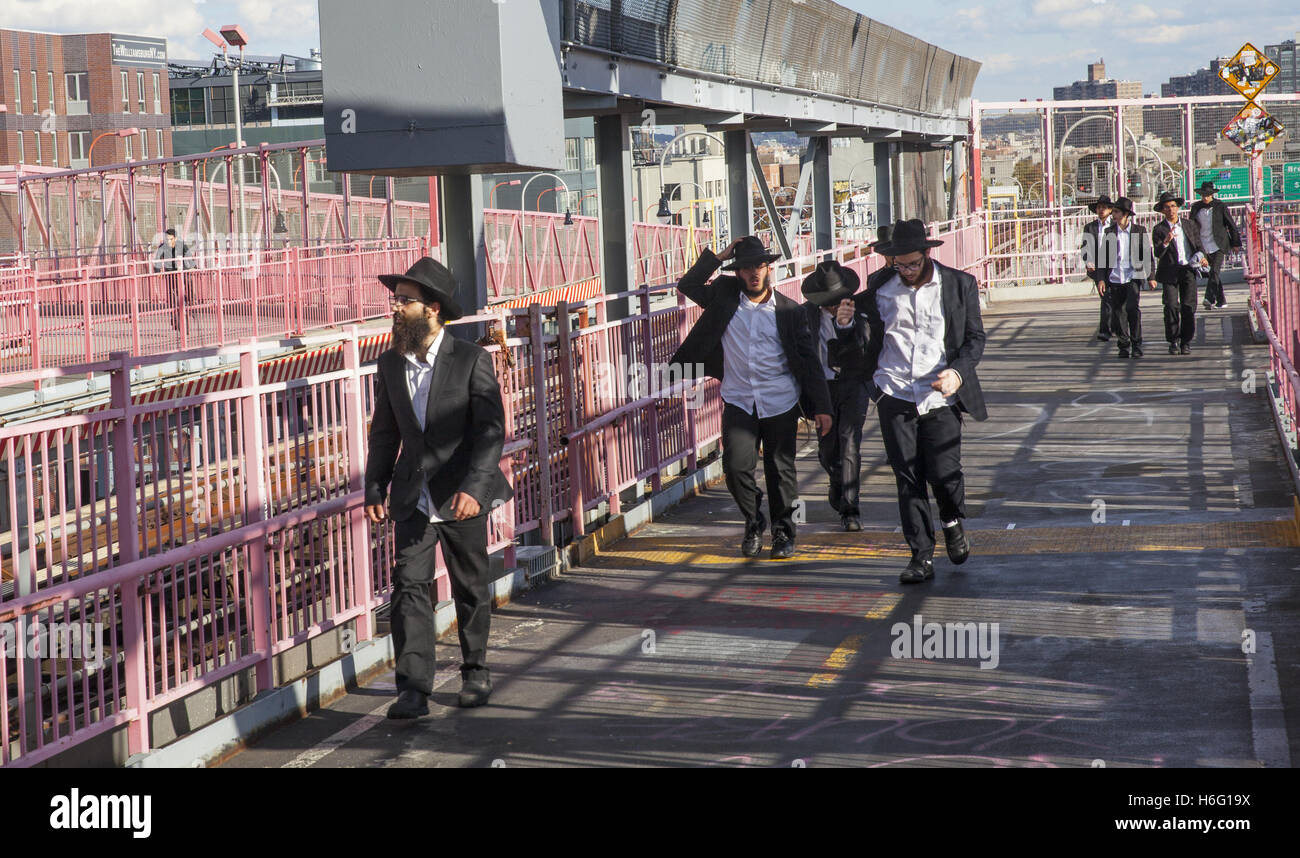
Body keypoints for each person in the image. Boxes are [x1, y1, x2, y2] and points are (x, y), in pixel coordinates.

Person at [365, 257, 513, 719]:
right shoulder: (389, 363)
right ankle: (413, 688)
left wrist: (476, 487)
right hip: (412, 494)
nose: (394, 308)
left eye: (404, 301)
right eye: (394, 300)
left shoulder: (472, 360)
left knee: (469, 585)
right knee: (409, 587)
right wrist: (375, 487)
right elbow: (385, 432)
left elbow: (491, 431)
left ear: (431, 309)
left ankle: (475, 670)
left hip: (462, 494)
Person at [670, 235, 832, 560]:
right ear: (738, 273)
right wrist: (720, 255)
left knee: (780, 468)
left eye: (759, 265)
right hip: (739, 398)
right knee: (735, 468)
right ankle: (754, 519)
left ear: (768, 268)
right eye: (745, 268)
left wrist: (821, 408)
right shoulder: (723, 298)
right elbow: (688, 284)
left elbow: (810, 363)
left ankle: (784, 533)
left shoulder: (790, 311)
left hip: (780, 400)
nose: (754, 273)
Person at [858, 219, 987, 584]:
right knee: (907, 476)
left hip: (939, 394)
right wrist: (845, 322)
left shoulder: (959, 284)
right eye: (900, 265)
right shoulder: (880, 289)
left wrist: (957, 373)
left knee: (944, 475)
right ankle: (920, 555)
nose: (907, 271)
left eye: (913, 263)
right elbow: (864, 337)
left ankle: (950, 521)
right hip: (895, 392)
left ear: (927, 254)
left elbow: (975, 339)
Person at [800, 261, 870, 532]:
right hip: (822, 390)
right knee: (828, 449)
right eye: (827, 302)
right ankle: (836, 480)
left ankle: (851, 510)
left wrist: (847, 324)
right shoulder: (805, 315)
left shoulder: (859, 312)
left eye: (837, 300)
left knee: (850, 443)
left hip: (854, 384)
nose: (833, 306)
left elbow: (864, 347)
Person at [1100, 196, 1154, 360]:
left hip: (1133, 276)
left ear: (1125, 214)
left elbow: (1147, 254)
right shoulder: (1109, 232)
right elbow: (1103, 258)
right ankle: (1123, 346)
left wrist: (1151, 275)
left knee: (1132, 310)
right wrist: (1101, 279)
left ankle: (1137, 345)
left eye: (1116, 211)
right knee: (1118, 314)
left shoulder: (1139, 230)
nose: (1113, 215)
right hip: (1115, 278)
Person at [1151, 191, 1205, 355]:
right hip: (1169, 272)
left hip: (1188, 269)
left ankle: (1186, 341)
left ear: (1178, 208)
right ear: (1162, 211)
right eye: (1167, 207)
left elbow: (1198, 245)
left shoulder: (1189, 225)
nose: (1171, 210)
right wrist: (1166, 241)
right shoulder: (1159, 229)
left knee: (1189, 306)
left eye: (1173, 206)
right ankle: (1173, 340)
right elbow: (1158, 253)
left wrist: (1203, 258)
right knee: (1171, 306)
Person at [1187, 181, 1241, 310]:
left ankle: (1209, 298)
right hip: (1203, 245)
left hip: (1219, 244)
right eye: (1203, 195)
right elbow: (1191, 226)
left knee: (1215, 271)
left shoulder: (1220, 206)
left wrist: (1236, 243)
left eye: (1208, 194)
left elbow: (1230, 224)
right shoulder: (1196, 207)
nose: (1205, 197)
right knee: (1212, 273)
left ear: (1212, 194)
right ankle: (1221, 301)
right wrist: (1192, 244)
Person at [1081, 195, 1115, 341]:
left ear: (1110, 210)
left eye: (1105, 207)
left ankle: (1115, 326)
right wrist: (1088, 261)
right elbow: (1085, 248)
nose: (1101, 210)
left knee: (1114, 299)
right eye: (1099, 207)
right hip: (1097, 268)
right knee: (1106, 297)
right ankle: (1104, 330)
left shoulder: (1115, 225)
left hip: (1114, 267)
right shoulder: (1090, 227)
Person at [152, 228, 194, 331]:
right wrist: (158, 271)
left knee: (189, 288)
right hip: (171, 273)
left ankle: (191, 306)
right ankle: (173, 315)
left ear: (175, 238)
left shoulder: (181, 244)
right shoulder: (163, 246)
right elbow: (157, 258)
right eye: (167, 239)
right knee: (171, 295)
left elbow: (188, 255)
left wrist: (193, 266)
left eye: (170, 239)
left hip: (183, 272)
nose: (168, 242)